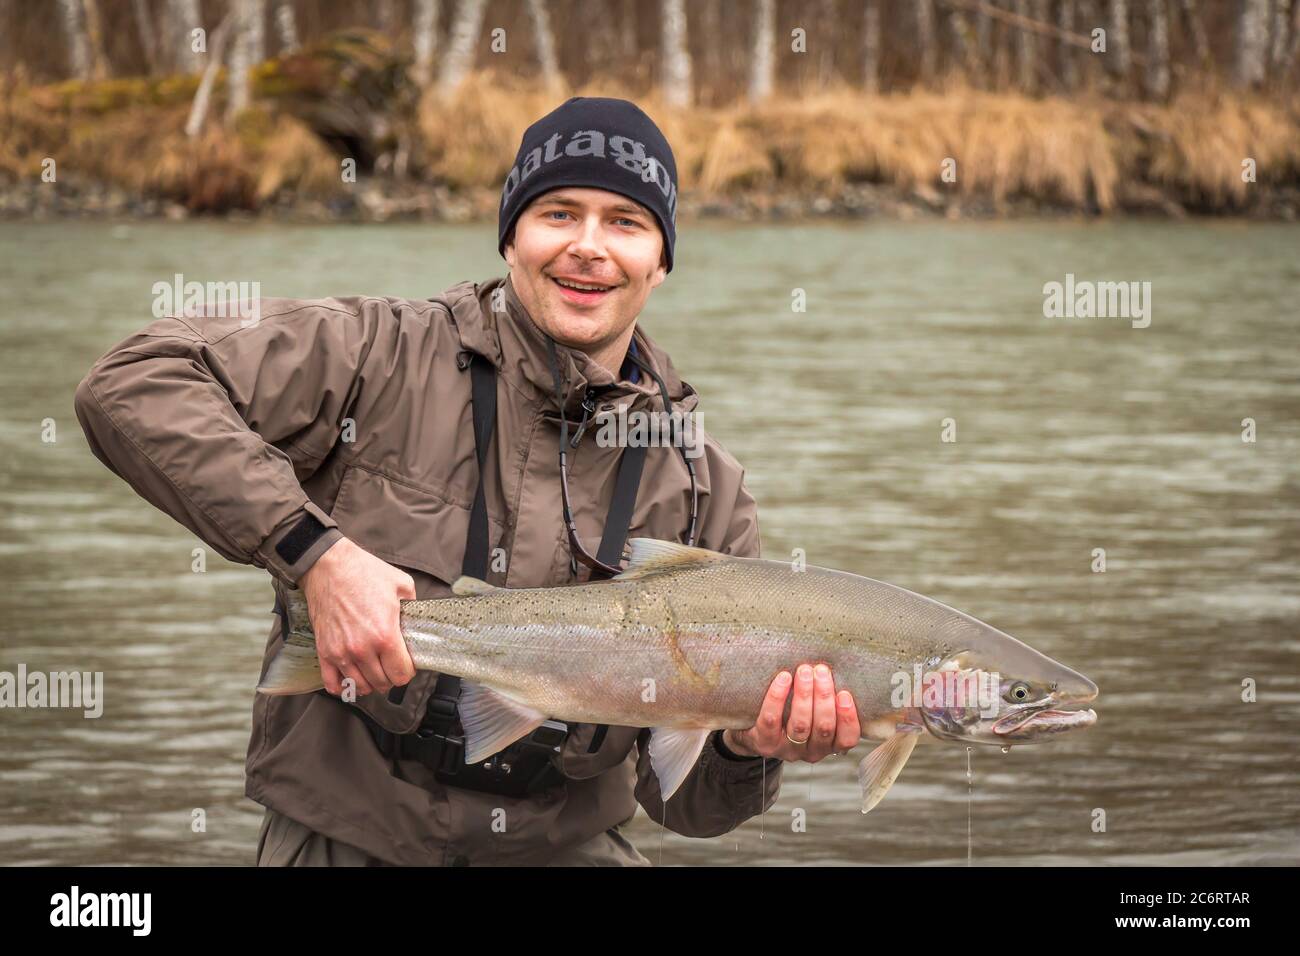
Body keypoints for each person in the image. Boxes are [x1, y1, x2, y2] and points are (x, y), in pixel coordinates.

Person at [74, 96, 861, 866]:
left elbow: (687, 808)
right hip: (345, 830)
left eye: (625, 223)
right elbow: (131, 383)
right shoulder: (378, 355)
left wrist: (748, 747)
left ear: (660, 261)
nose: (589, 247)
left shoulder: (704, 489)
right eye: (558, 214)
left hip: (564, 845)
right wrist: (316, 555)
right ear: (510, 237)